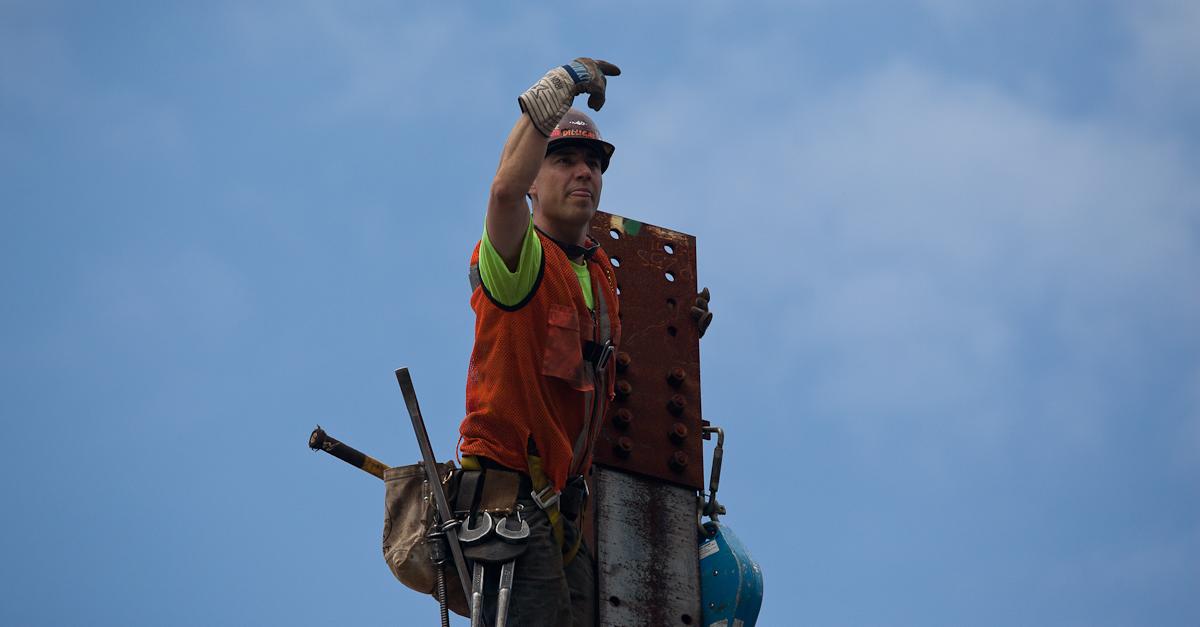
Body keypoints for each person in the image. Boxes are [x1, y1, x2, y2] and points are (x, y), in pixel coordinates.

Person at [455, 57, 622, 626]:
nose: (584, 173)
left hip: (562, 521)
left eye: (593, 163)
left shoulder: (599, 277)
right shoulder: (520, 258)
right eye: (565, 160)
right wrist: (558, 89)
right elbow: (503, 192)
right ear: (535, 179)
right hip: (510, 508)